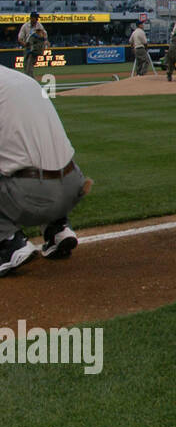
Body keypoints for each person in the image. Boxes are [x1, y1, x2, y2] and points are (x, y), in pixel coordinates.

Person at [0, 65, 90, 277]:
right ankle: (57, 229)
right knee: (32, 156)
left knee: (17, 163)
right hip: (73, 184)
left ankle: (8, 243)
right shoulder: (20, 79)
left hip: (32, 196)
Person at [16, 11, 47, 78]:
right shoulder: (25, 26)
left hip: (36, 48)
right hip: (28, 47)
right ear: (31, 18)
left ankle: (31, 81)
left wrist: (41, 43)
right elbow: (20, 38)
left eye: (37, 18)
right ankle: (30, 80)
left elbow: (44, 36)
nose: (37, 19)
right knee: (27, 66)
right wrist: (25, 44)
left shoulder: (39, 25)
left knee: (29, 66)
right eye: (36, 18)